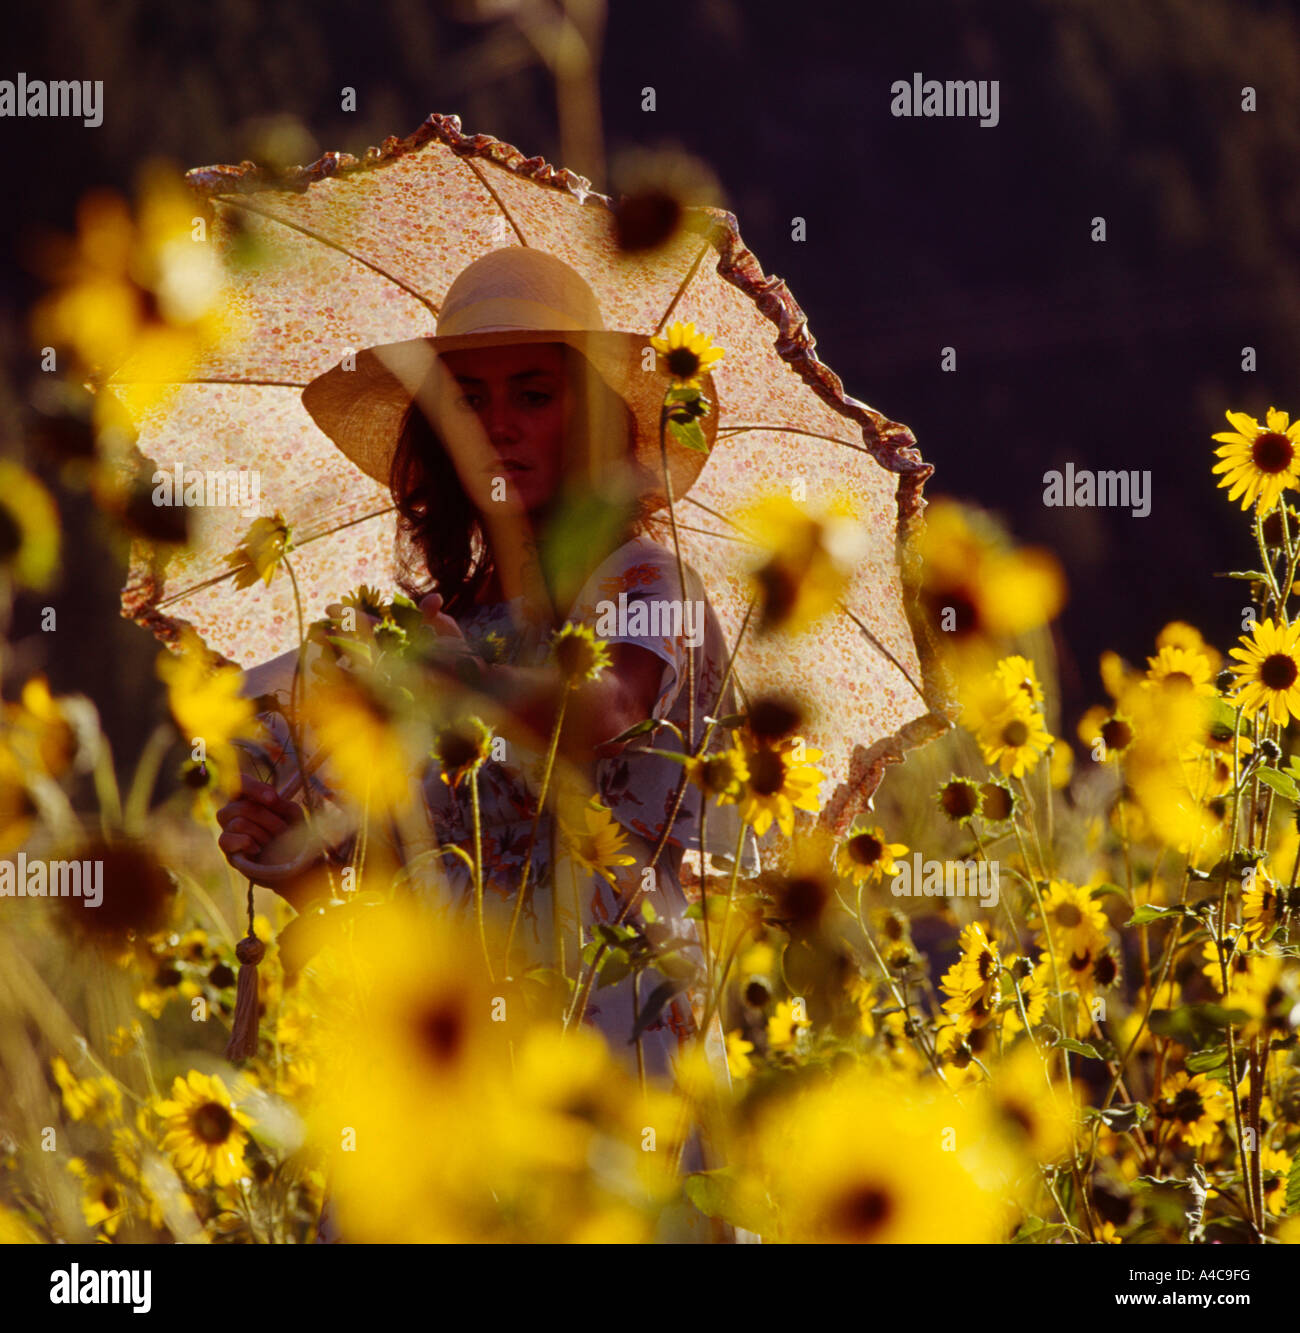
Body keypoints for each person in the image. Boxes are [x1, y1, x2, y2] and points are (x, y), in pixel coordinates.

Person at [215, 248, 761, 1240]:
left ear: (591, 419)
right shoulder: (427, 622)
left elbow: (597, 715)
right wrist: (284, 850)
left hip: (608, 1011)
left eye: (534, 393)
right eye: (466, 399)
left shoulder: (645, 583)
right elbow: (392, 883)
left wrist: (447, 672)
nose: (497, 423)